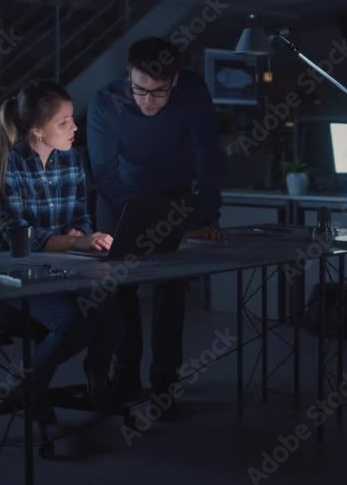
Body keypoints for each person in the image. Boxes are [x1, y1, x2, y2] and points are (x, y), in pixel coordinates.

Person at [87, 37, 222, 419]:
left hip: (173, 195)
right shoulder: (105, 101)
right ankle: (125, 376)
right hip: (119, 198)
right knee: (121, 289)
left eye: (159, 93)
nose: (148, 101)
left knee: (170, 291)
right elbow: (104, 172)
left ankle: (165, 381)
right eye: (140, 90)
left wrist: (208, 212)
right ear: (128, 76)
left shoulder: (193, 90)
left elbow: (206, 154)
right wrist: (137, 216)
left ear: (175, 80)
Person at [0, 80, 121, 417]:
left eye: (72, 118)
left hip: (62, 267)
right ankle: (30, 389)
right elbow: (19, 236)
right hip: (12, 272)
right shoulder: (11, 163)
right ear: (39, 132)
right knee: (73, 323)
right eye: (63, 122)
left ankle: (96, 378)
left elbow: (81, 217)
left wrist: (80, 232)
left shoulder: (71, 160)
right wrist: (74, 240)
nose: (74, 127)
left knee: (112, 316)